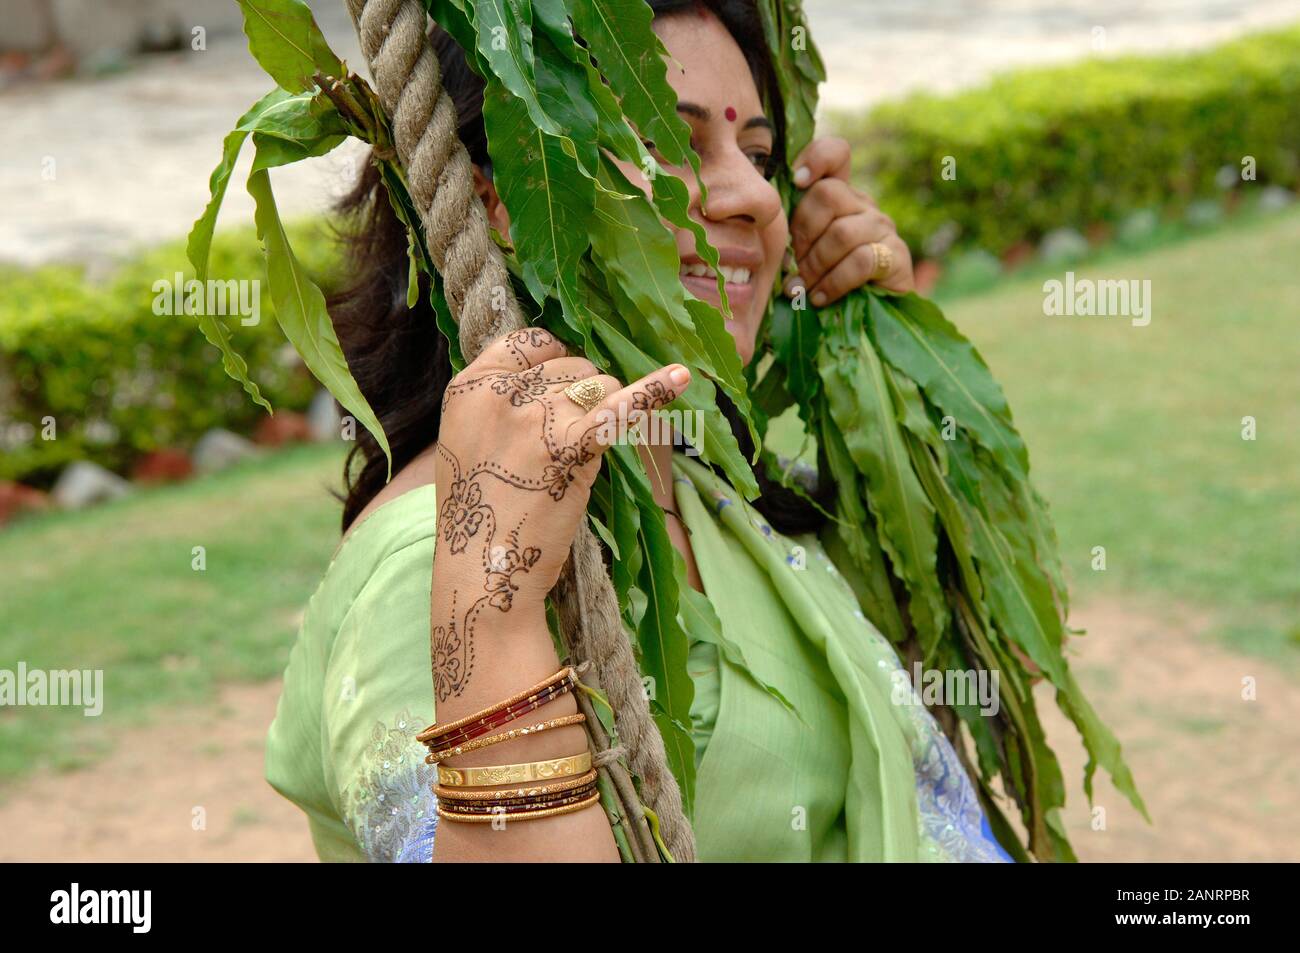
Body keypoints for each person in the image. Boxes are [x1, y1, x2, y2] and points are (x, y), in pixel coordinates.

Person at [266, 0, 1011, 862]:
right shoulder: (441, 558)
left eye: (759, 157)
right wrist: (493, 620)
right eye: (668, 143)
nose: (753, 197)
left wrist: (875, 344)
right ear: (502, 199)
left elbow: (964, 654)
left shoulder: (702, 487)